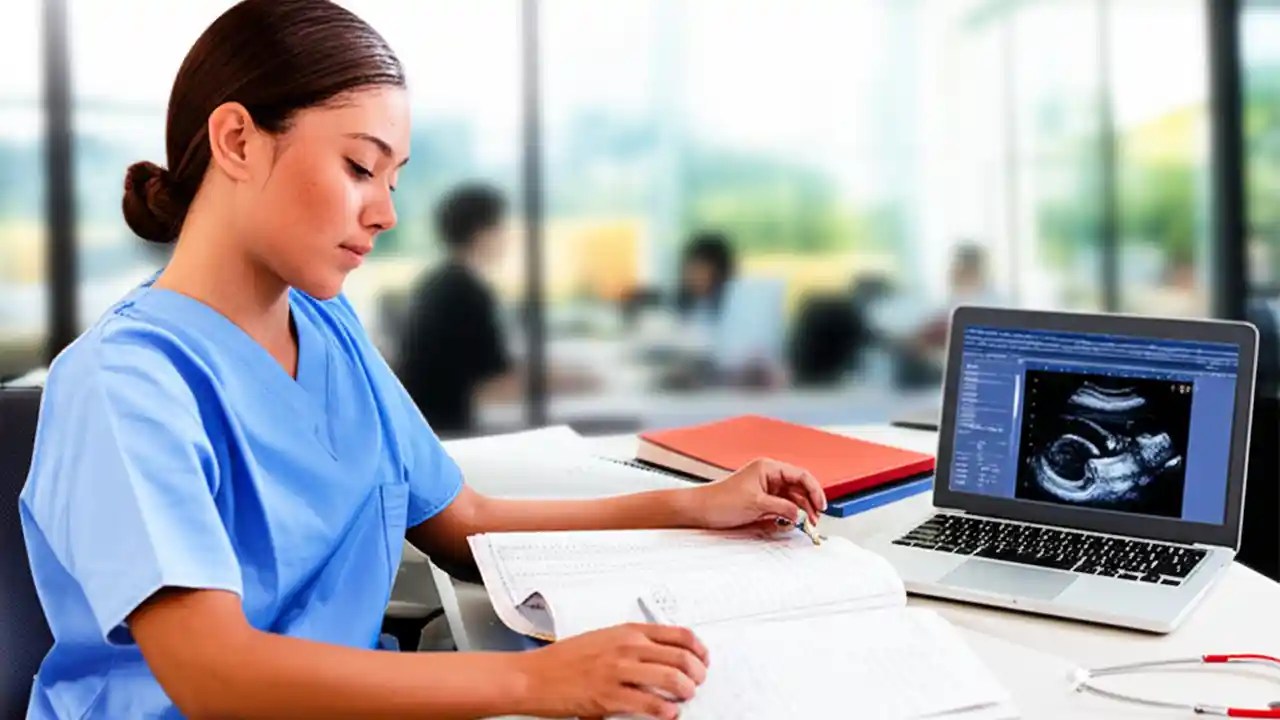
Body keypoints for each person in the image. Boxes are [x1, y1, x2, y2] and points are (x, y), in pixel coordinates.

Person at [17, 2, 827, 719]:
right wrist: (540, 682)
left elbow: (461, 524)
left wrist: (693, 508)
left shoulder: (325, 325)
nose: (386, 212)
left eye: (394, 179)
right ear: (237, 140)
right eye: (360, 167)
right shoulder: (123, 383)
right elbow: (214, 676)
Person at [396, 183, 512, 435]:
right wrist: (578, 380)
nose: (507, 237)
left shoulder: (436, 281)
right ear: (481, 233)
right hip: (446, 431)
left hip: (420, 424)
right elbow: (495, 382)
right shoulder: (467, 292)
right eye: (501, 227)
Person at [675, 231, 736, 323]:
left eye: (699, 269)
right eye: (689, 269)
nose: (690, 277)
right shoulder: (683, 301)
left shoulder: (731, 307)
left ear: (719, 273)